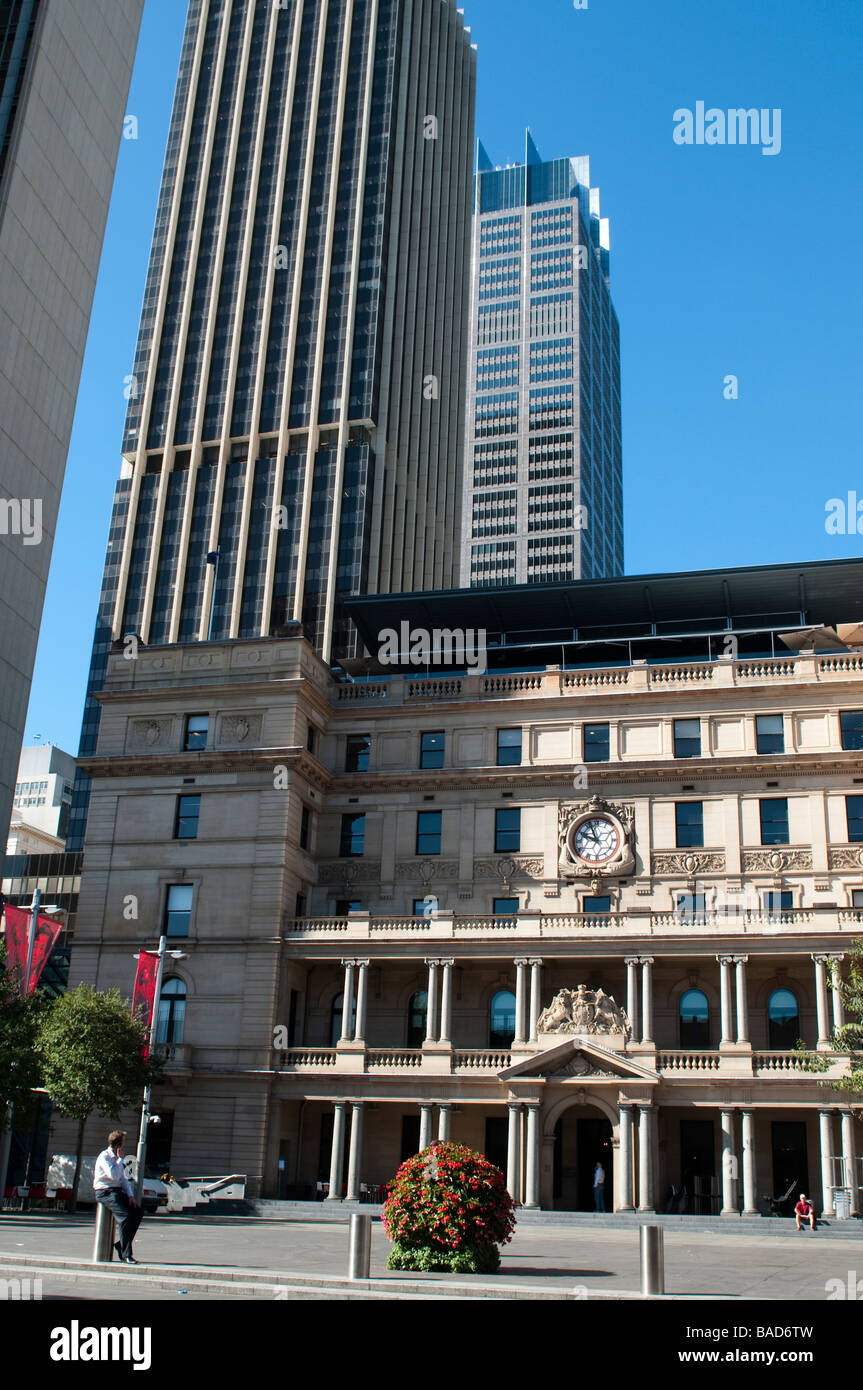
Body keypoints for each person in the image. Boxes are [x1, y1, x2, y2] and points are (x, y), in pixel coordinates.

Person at [93, 1130, 143, 1263]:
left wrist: (130, 1196)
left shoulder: (117, 1159)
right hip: (104, 1191)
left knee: (137, 1212)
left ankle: (121, 1244)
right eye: (124, 1142)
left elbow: (123, 1179)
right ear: (119, 1144)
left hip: (116, 1190)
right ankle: (126, 1254)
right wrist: (120, 1160)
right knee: (125, 1216)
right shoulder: (104, 1157)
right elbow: (113, 1176)